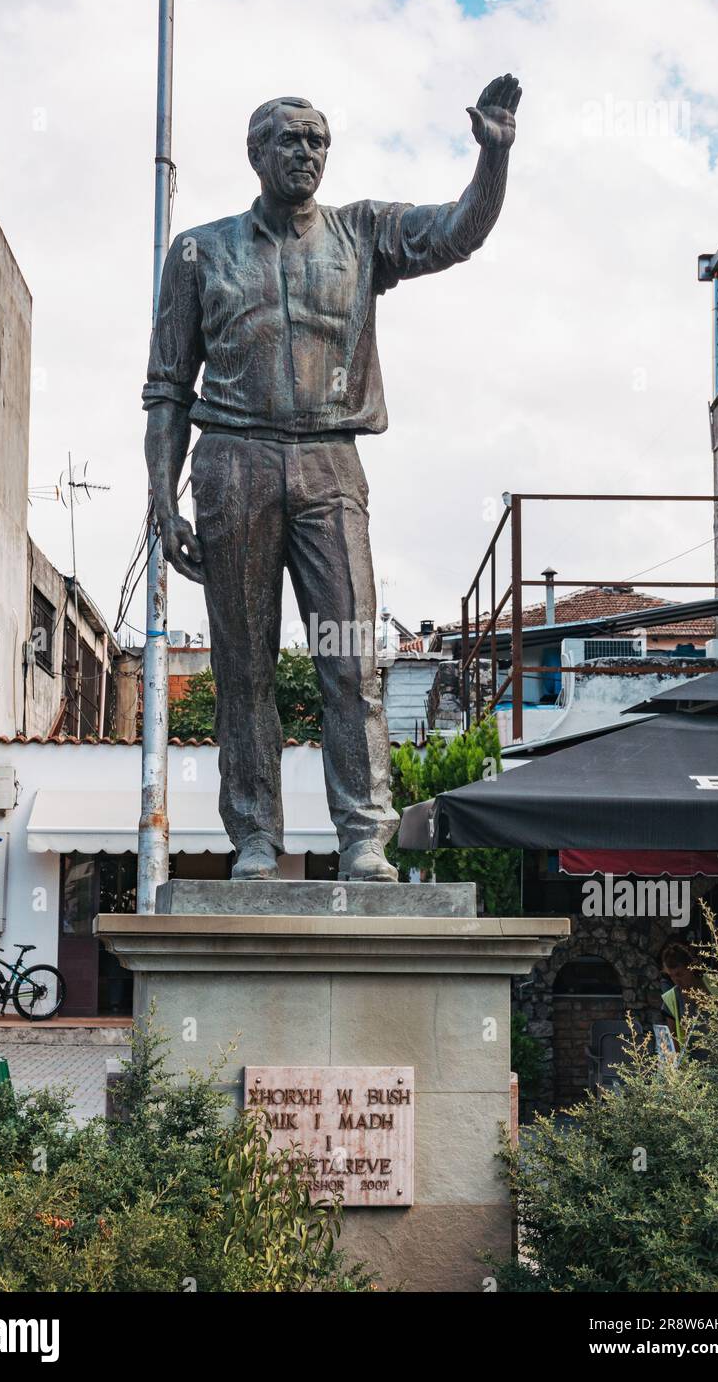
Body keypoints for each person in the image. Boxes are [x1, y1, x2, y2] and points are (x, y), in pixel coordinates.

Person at [142, 78, 522, 880]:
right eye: (291, 140)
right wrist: (160, 501)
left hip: (330, 462)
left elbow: (457, 233)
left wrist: (493, 158)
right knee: (243, 667)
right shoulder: (199, 251)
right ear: (256, 154)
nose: (307, 154)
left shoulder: (365, 234)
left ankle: (362, 836)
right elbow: (168, 388)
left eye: (318, 141)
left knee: (350, 659)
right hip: (232, 462)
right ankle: (253, 837)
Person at [660, 941, 710, 1050]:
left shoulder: (713, 986)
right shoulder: (672, 999)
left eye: (679, 974)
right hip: (690, 1061)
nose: (676, 981)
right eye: (671, 976)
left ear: (691, 967)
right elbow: (674, 1043)